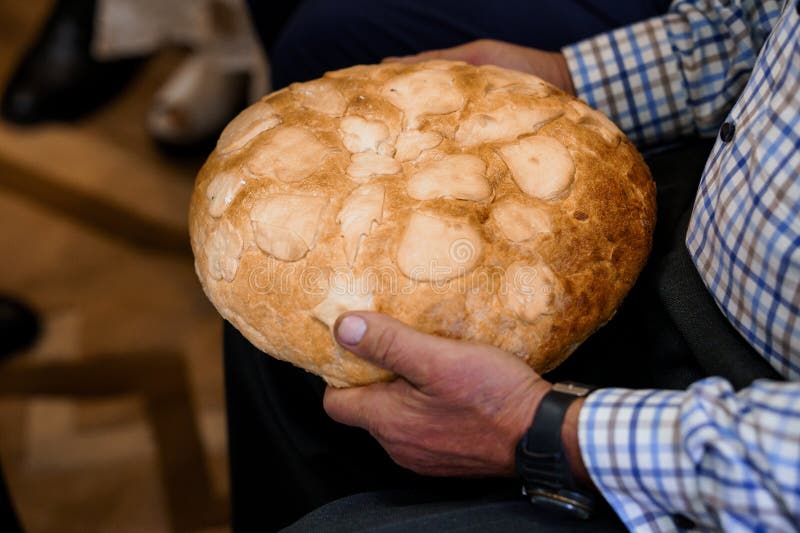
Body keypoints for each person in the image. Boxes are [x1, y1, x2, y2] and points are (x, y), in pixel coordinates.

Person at [230, 0, 799, 531]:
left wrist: (546, 430)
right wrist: (565, 76)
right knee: (271, 342)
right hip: (705, 218)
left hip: (739, 434)